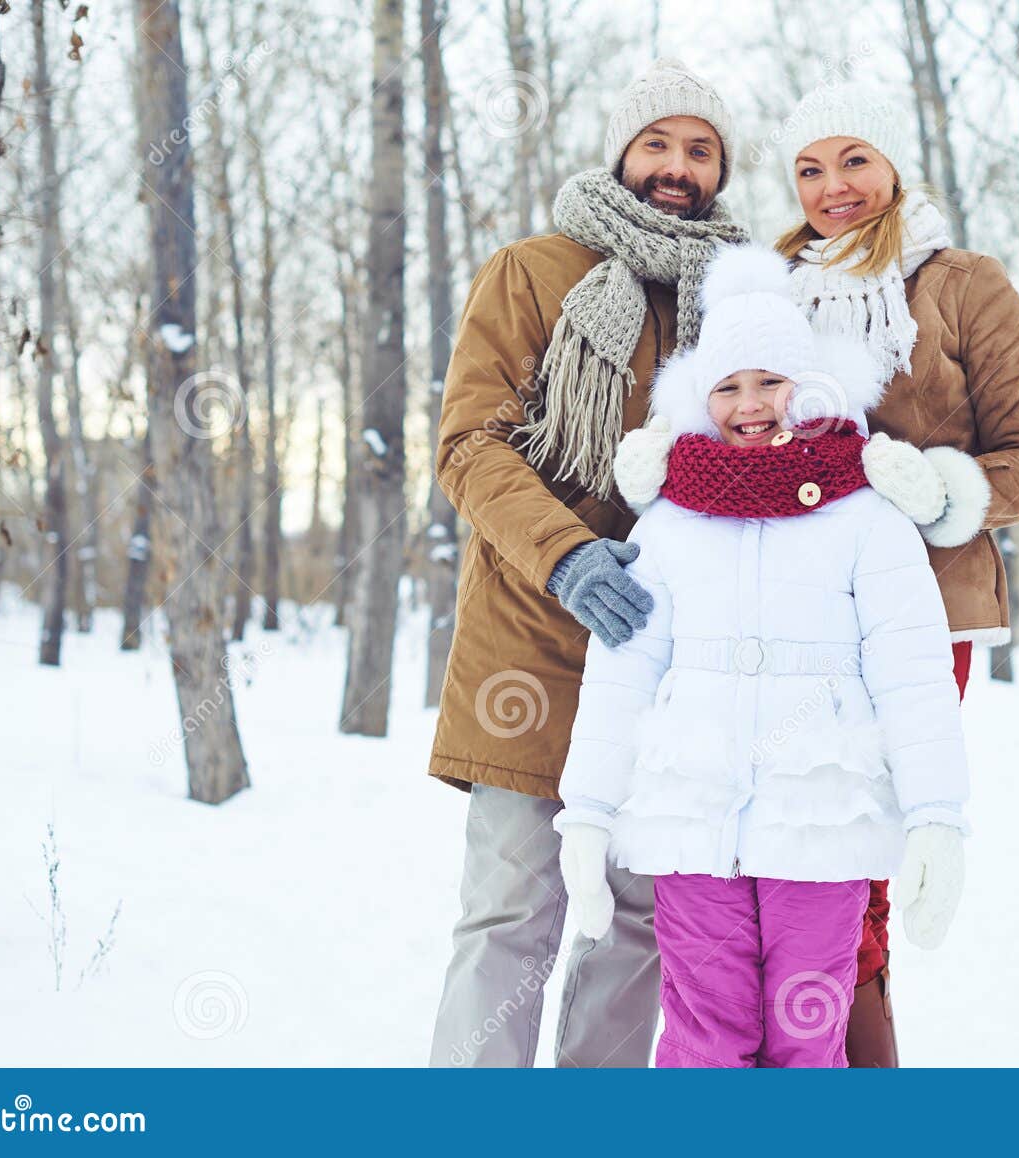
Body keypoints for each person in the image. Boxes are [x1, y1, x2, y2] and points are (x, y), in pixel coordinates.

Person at [553, 244, 971, 1067]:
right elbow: (622, 674)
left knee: (806, 1036)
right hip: (693, 826)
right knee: (706, 1035)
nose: (751, 405)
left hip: (822, 827)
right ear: (700, 399)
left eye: (770, 382)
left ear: (809, 383)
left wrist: (936, 819)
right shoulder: (669, 523)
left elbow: (914, 676)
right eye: (729, 386)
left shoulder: (867, 518)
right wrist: (588, 814)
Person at [427, 59, 748, 1068]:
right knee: (511, 910)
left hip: (670, 656)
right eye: (657, 143)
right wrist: (565, 556)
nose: (676, 167)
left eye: (699, 151)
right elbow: (469, 445)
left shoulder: (743, 295)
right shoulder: (533, 271)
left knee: (641, 919)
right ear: (620, 152)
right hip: (530, 634)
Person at [773, 83, 1019, 1066]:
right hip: (777, 615)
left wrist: (935, 487)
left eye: (852, 159)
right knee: (776, 856)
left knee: (858, 860)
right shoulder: (762, 283)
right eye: (808, 169)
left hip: (917, 614)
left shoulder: (961, 284)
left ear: (894, 165)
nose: (832, 188)